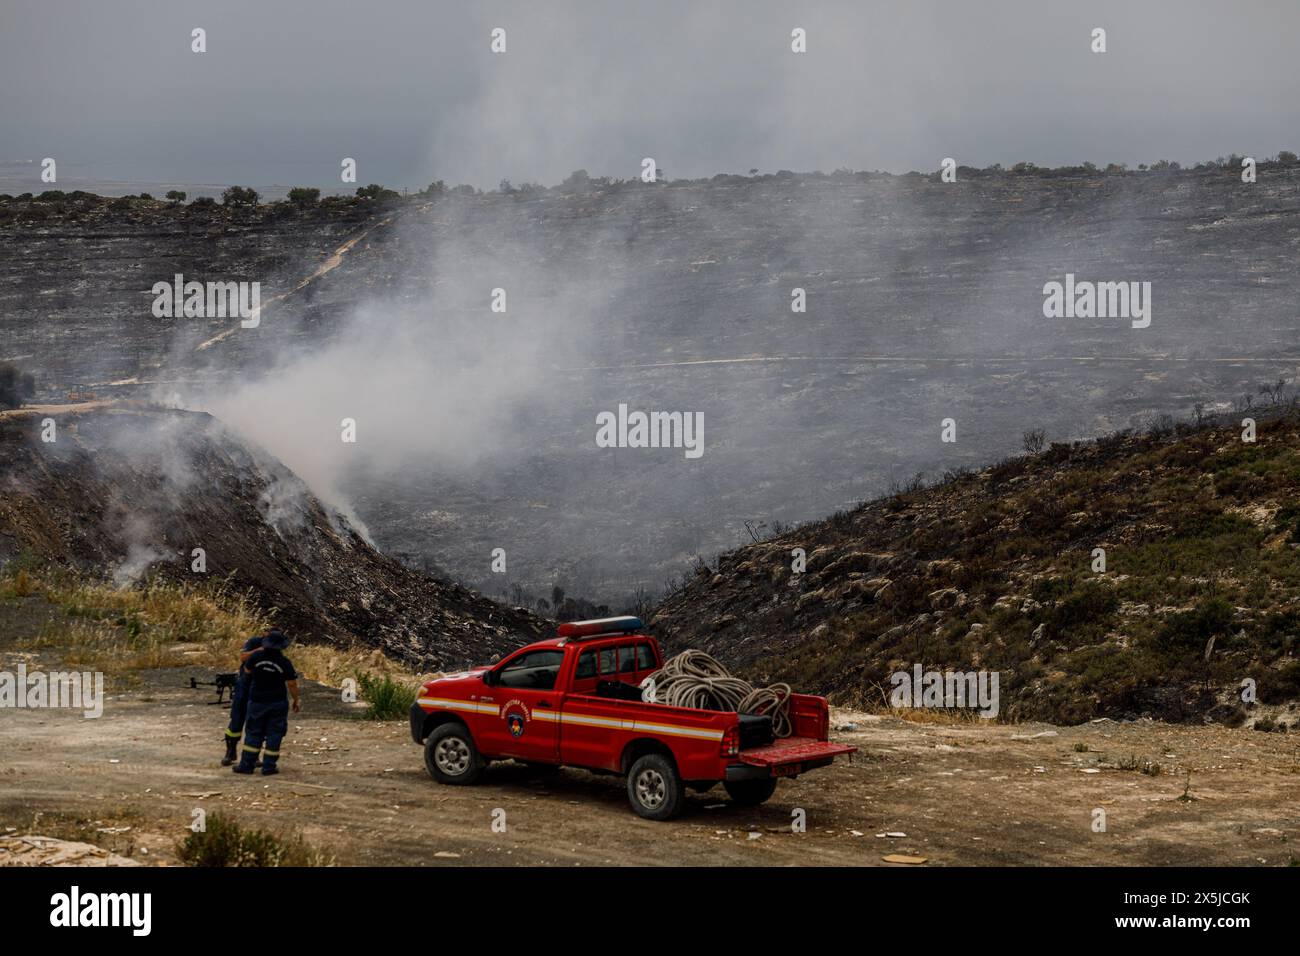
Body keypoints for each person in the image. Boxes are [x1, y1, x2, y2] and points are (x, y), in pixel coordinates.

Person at [233, 630, 301, 776]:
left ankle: (246, 766)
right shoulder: (284, 662)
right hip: (277, 702)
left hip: (257, 701)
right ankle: (269, 767)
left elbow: (246, 672)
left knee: (253, 733)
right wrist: (296, 700)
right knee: (275, 734)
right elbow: (292, 683)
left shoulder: (256, 657)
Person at [222, 630, 270, 766]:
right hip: (244, 687)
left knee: (257, 724)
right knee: (236, 721)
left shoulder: (276, 650)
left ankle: (253, 756)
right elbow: (243, 657)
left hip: (260, 689)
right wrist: (260, 650)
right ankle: (230, 751)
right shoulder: (254, 642)